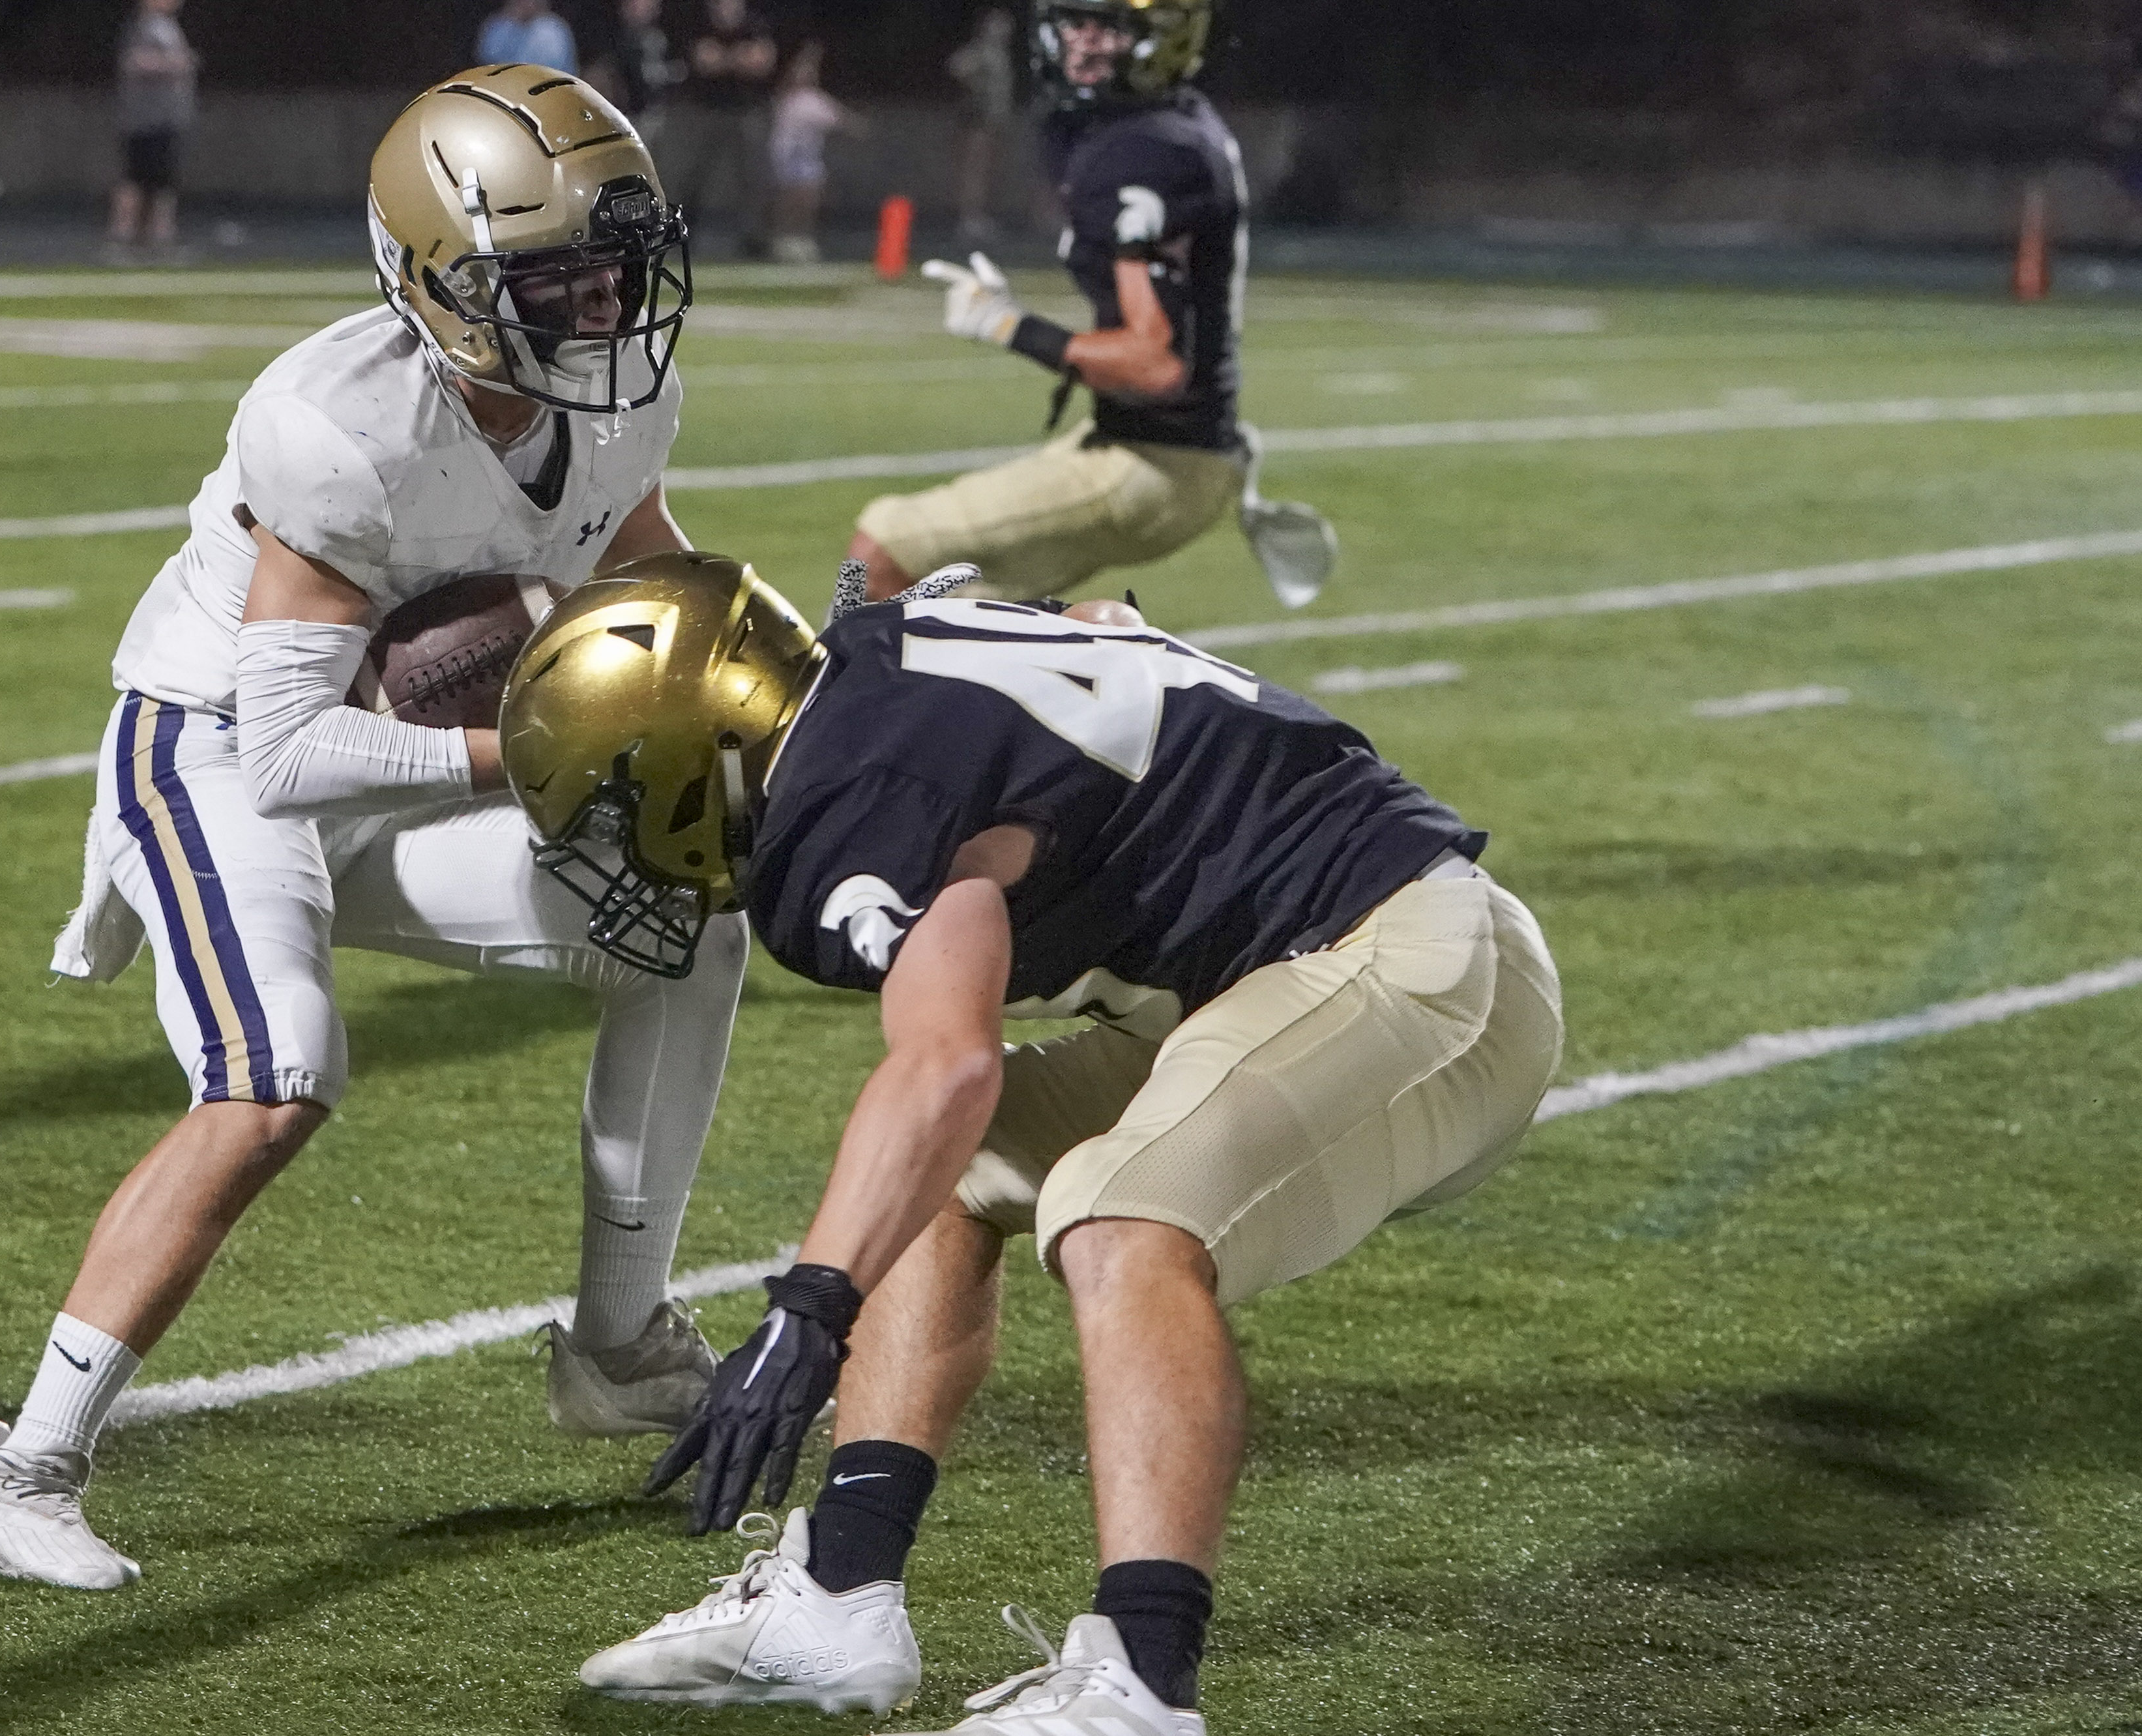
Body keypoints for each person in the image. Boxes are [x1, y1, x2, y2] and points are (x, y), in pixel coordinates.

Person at [501, 557, 1564, 1729]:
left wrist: (811, 1307)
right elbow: (1102, 618)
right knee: (931, 1175)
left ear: (692, 752)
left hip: (1414, 968)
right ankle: (837, 1591)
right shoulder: (890, 647)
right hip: (1280, 970)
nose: (623, 847)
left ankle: (1143, 1683)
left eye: (617, 801)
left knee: (1120, 1216)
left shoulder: (850, 798)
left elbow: (947, 1062)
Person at [0, 66, 733, 1593]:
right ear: (434, 278)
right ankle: (21, 1460)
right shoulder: (333, 425)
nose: (601, 302)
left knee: (688, 919)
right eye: (553, 273)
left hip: (413, 758)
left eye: (618, 263)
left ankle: (620, 1345)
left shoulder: (620, 393)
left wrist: (784, 689)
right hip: (218, 751)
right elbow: (291, 749)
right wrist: (551, 744)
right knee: (276, 1075)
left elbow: (647, 577)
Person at [850, 1, 1328, 611]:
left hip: (1156, 462)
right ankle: (1081, 652)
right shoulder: (1165, 123)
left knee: (881, 555)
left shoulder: (1146, 152)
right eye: (1073, 23)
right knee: (957, 603)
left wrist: (1006, 324)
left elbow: (1154, 364)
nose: (1081, 43)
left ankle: (859, 704)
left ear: (1165, 38)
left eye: (1107, 27)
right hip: (1165, 447)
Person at [661, 0, 778, 257]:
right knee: (691, 176)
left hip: (746, 109)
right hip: (705, 110)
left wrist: (725, 58)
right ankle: (681, 236)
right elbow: (703, 61)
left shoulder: (755, 25)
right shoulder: (699, 23)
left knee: (754, 177)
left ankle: (756, 242)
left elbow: (762, 61)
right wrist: (740, 58)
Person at [110, 0, 198, 257]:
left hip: (167, 118)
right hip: (146, 119)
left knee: (164, 181)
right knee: (136, 178)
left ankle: (160, 234)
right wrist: (175, 64)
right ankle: (123, 233)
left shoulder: (167, 26)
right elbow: (134, 61)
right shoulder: (146, 27)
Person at [767, 40, 856, 264]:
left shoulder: (815, 100)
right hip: (788, 157)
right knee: (789, 200)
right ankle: (783, 240)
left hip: (808, 158)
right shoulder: (788, 99)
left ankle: (802, 239)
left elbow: (841, 119)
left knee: (809, 199)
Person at [946, 8, 1016, 247]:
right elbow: (957, 66)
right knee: (974, 172)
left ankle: (979, 217)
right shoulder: (982, 50)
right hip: (979, 120)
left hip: (995, 121)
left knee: (987, 172)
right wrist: (975, 87)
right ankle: (969, 219)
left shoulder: (1000, 53)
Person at [581, 0, 680, 121]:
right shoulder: (607, 40)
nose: (638, 5)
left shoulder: (674, 37)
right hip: (624, 118)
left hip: (669, 115)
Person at [477, 0, 578, 74]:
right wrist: (514, 26)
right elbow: (487, 56)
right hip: (504, 83)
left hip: (545, 85)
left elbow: (550, 68)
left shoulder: (553, 29)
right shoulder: (500, 24)